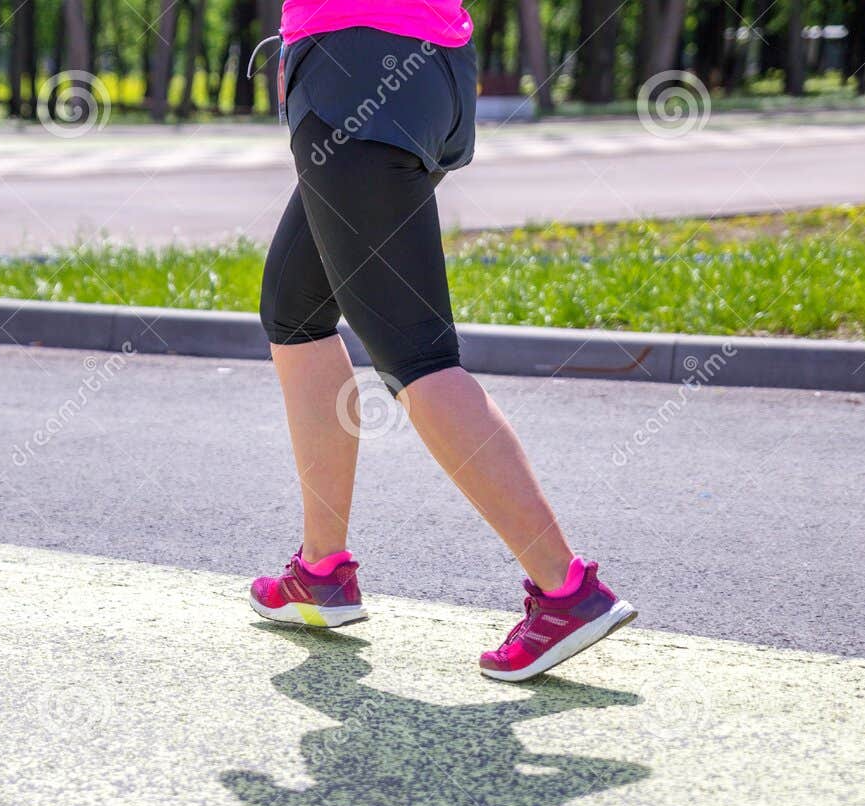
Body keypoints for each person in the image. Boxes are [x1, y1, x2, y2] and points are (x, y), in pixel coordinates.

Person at [247, 0, 636, 682]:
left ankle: (565, 590)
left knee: (416, 354)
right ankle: (321, 571)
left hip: (354, 73)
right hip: (430, 69)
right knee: (294, 310)